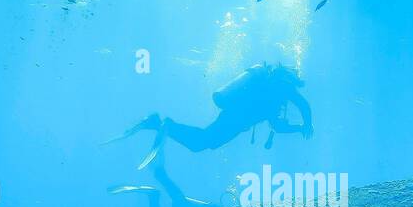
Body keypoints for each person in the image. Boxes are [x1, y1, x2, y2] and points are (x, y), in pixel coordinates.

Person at [118, 62, 312, 167]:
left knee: (204, 141)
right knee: (202, 142)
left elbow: (277, 126)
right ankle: (165, 125)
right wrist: (307, 125)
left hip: (233, 114)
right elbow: (303, 105)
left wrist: (300, 127)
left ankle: (159, 124)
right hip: (236, 119)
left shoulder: (272, 88)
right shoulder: (283, 88)